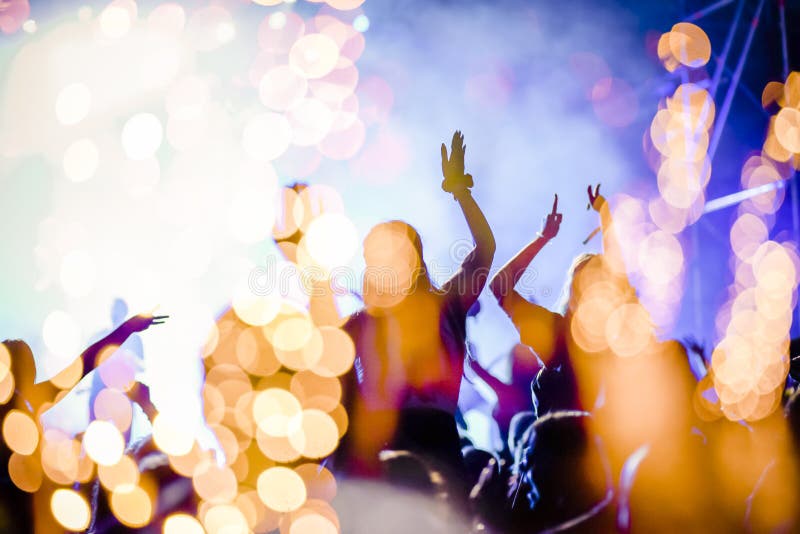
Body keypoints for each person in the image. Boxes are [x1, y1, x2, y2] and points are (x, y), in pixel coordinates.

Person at [341, 131, 495, 483]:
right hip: (384, 447)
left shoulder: (446, 306)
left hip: (438, 443)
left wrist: (461, 192)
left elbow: (484, 249)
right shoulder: (362, 322)